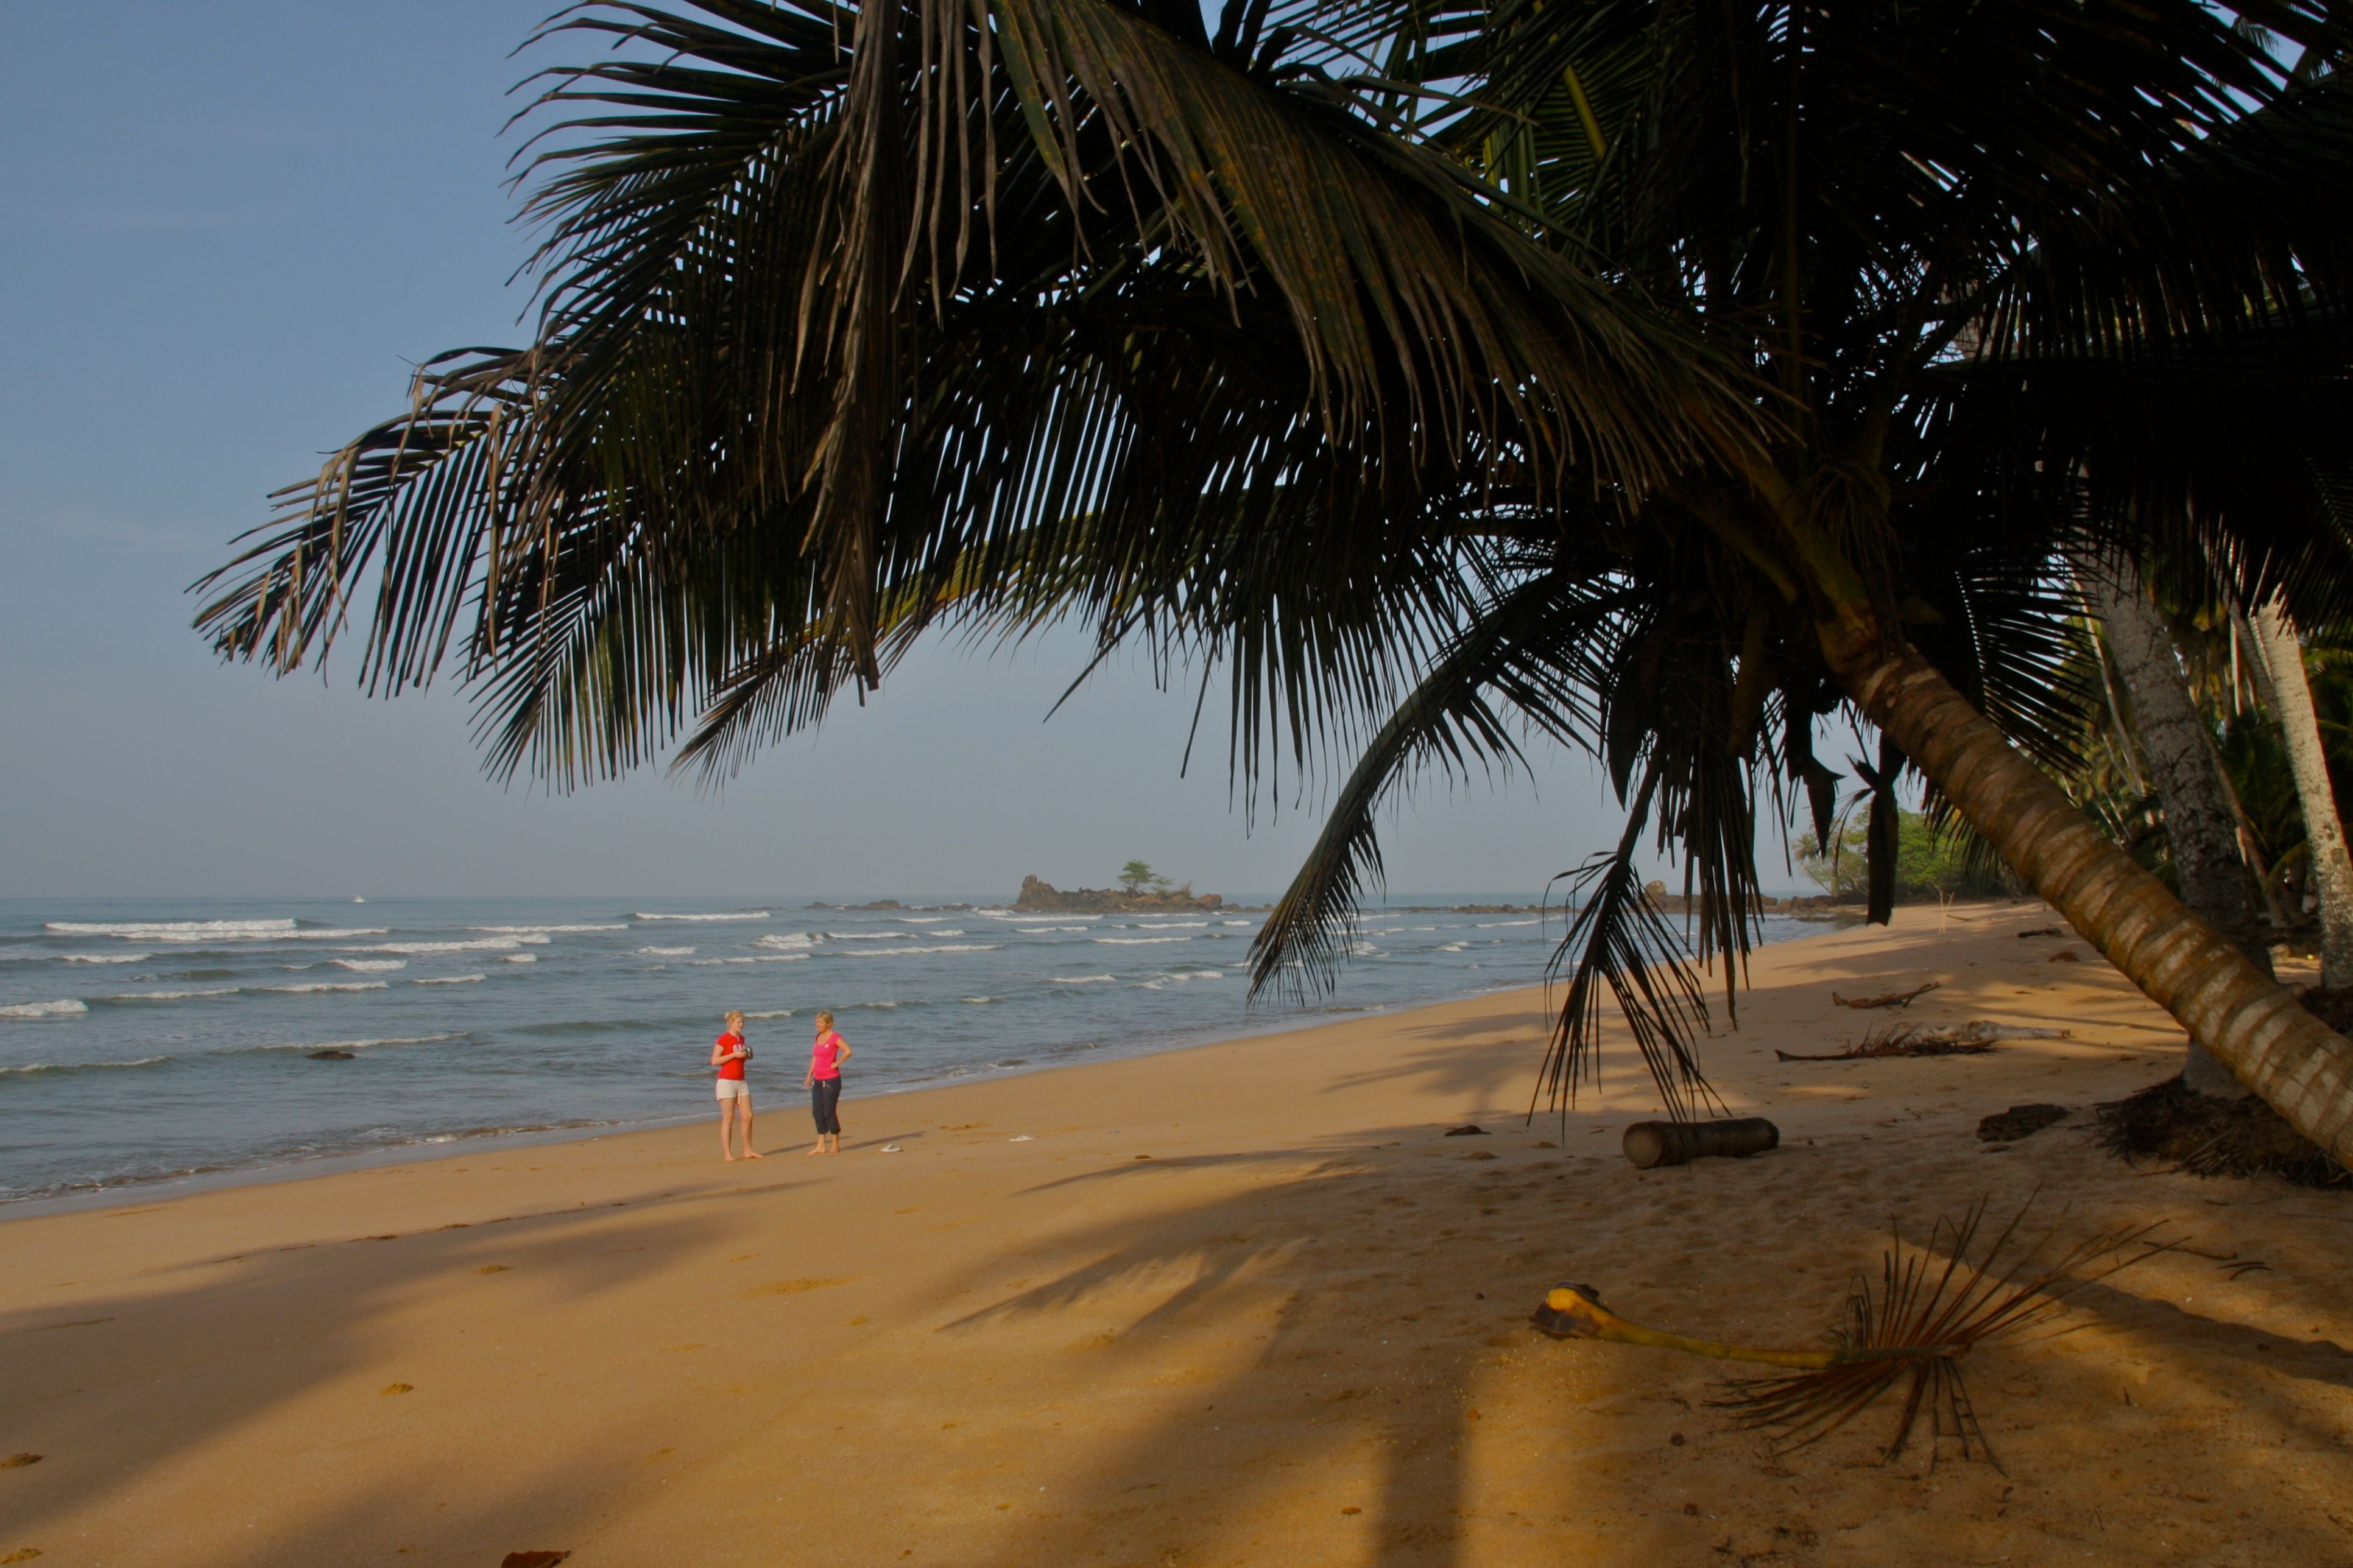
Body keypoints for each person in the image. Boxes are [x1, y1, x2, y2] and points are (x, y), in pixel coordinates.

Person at [710, 1010, 761, 1162]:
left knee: (748, 1116)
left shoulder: (741, 1039)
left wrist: (745, 1056)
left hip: (741, 1080)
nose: (741, 1025)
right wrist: (734, 1055)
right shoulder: (724, 1039)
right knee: (729, 1118)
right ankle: (728, 1153)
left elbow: (740, 1058)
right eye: (739, 1022)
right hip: (727, 1081)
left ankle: (748, 1149)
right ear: (731, 1023)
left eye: (743, 1022)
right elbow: (715, 1061)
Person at [803, 1010, 852, 1156]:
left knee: (829, 1112)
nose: (817, 1025)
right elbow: (815, 1057)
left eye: (820, 1022)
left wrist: (837, 1063)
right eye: (816, 1022)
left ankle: (836, 1144)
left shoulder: (834, 1037)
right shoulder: (818, 1037)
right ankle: (821, 1145)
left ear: (828, 1024)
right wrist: (809, 1075)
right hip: (818, 1079)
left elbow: (848, 1051)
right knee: (817, 1112)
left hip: (831, 1080)